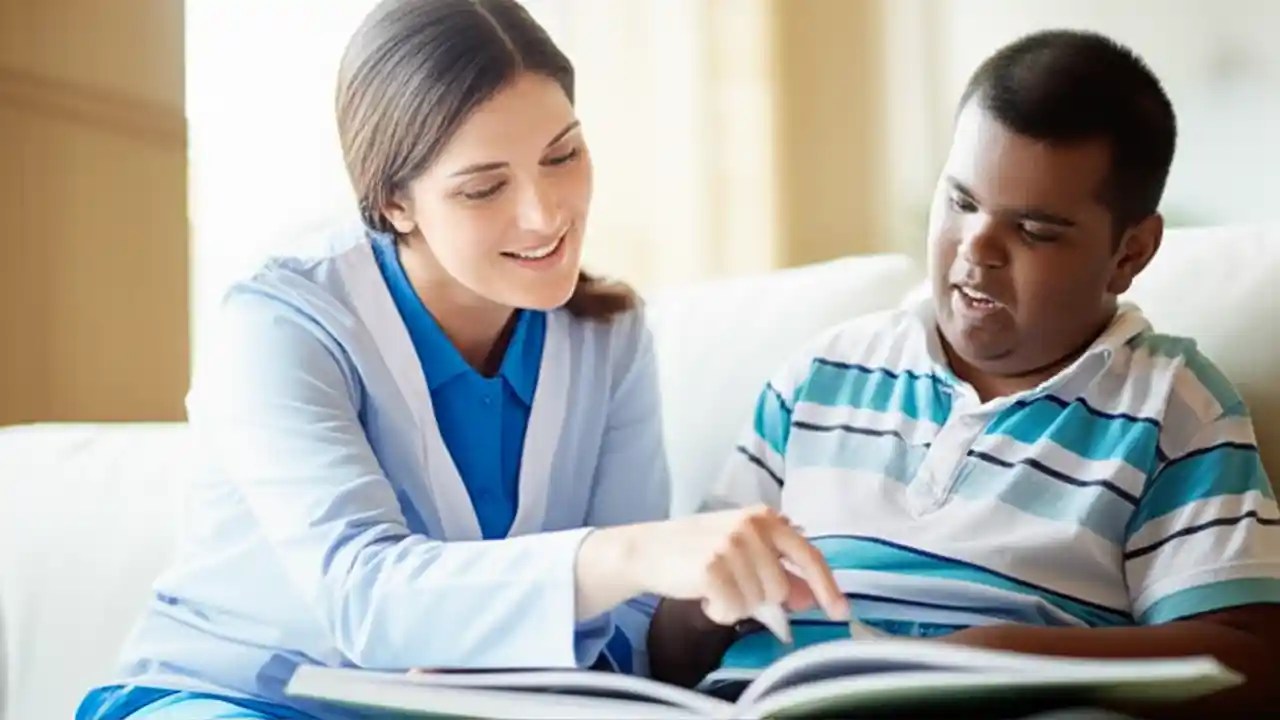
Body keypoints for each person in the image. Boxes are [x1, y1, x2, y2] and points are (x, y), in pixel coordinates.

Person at [76, 1, 846, 718]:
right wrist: (635, 552)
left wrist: (711, 599)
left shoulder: (608, 337)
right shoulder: (282, 325)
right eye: (483, 189)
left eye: (562, 155)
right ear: (394, 203)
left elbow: (628, 629)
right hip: (232, 695)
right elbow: (362, 595)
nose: (545, 215)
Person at [648, 29, 1280, 717]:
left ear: (1130, 253)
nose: (977, 249)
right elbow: (671, 648)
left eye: (1033, 230)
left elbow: (1248, 660)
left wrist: (1003, 655)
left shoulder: (1171, 407)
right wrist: (708, 596)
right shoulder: (820, 375)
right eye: (960, 202)